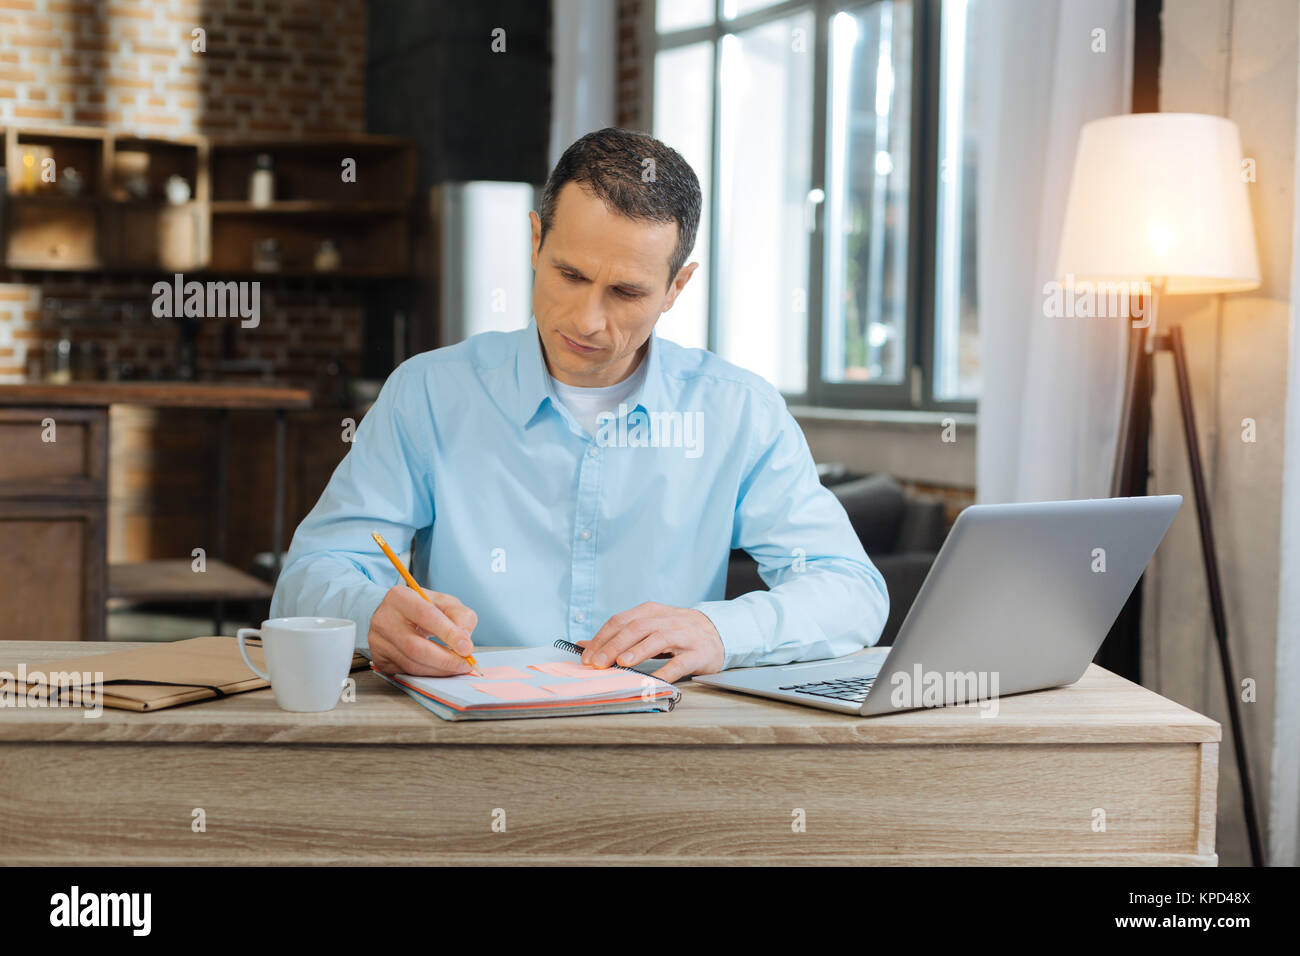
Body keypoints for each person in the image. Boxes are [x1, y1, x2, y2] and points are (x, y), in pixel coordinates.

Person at [270, 127, 888, 683]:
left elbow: (851, 589)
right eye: (569, 275)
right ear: (537, 241)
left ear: (676, 288)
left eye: (625, 292)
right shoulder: (429, 394)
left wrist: (720, 631)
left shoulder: (738, 413)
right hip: (466, 745)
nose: (588, 321)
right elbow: (310, 575)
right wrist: (369, 612)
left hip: (664, 749)